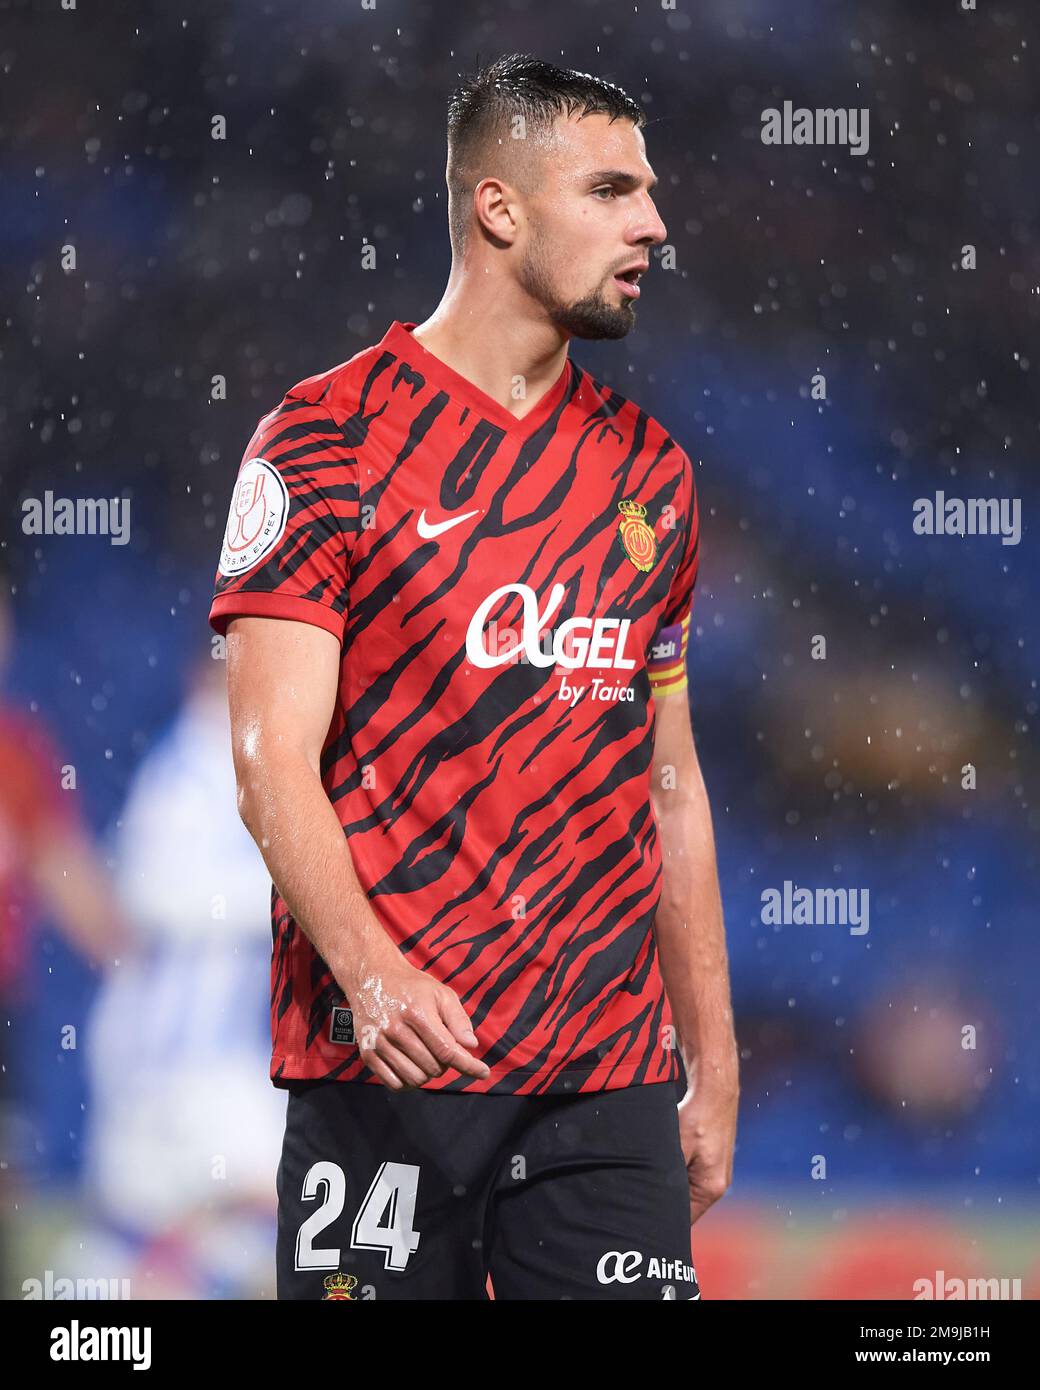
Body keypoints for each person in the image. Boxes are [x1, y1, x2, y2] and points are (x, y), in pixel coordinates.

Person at [209, 53, 738, 1301]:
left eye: (649, 191)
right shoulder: (323, 439)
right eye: (611, 188)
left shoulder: (650, 476)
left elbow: (668, 788)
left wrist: (707, 1060)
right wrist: (373, 971)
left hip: (602, 1077)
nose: (652, 223)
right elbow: (264, 756)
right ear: (498, 208)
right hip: (384, 1067)